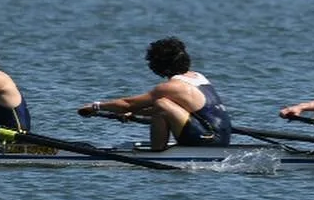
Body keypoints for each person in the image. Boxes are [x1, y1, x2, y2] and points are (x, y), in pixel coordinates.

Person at [77, 36, 231, 151]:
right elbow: (177, 112)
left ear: (158, 65)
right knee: (163, 105)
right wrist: (135, 113)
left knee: (161, 104)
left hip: (208, 140)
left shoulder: (171, 87)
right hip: (220, 137)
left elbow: (127, 104)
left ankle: (157, 152)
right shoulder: (197, 77)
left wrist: (96, 106)